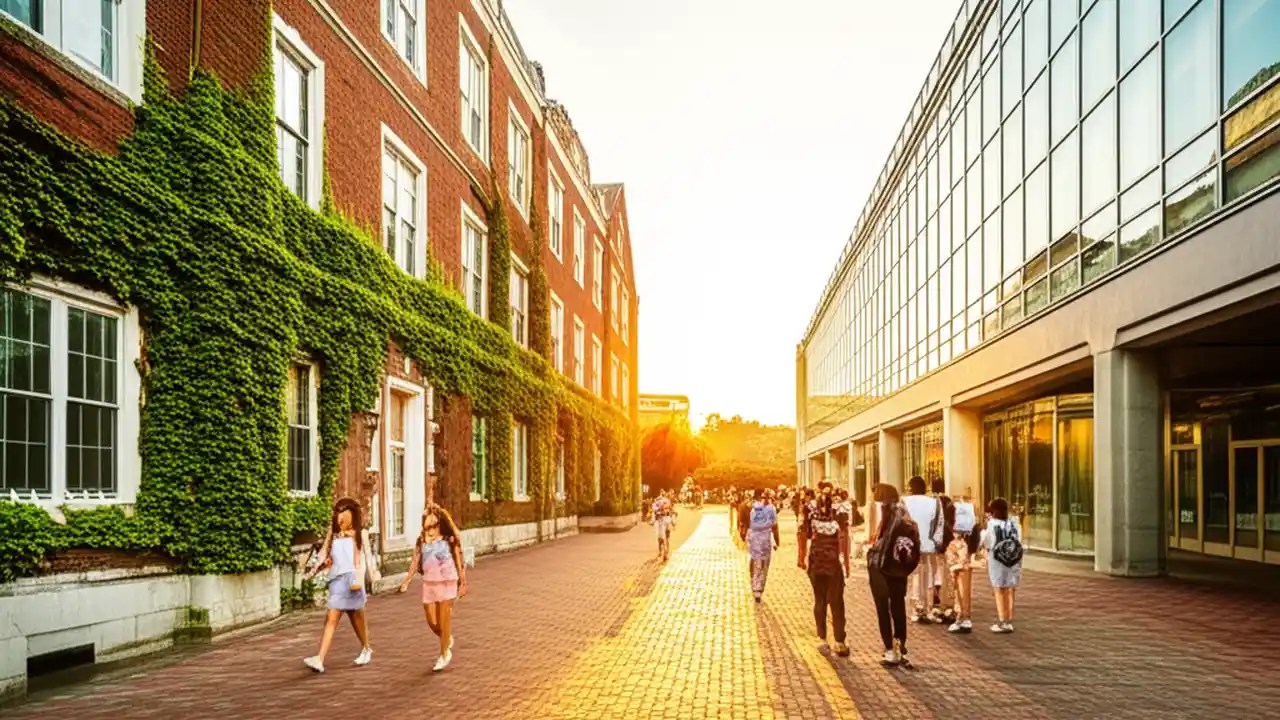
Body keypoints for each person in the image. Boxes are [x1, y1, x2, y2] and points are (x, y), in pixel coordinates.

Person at [302, 498, 372, 673]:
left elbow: (367, 558)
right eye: (337, 514)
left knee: (357, 619)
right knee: (331, 618)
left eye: (343, 514)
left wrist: (372, 574)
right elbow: (324, 553)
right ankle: (319, 659)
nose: (339, 518)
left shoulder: (359, 534)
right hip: (336, 581)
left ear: (351, 516)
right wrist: (313, 570)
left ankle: (366, 648)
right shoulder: (333, 534)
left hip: (352, 581)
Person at [398, 503, 467, 671]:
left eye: (433, 526)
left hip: (447, 581)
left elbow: (458, 559)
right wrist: (407, 579)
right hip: (429, 583)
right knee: (433, 622)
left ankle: (444, 654)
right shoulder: (421, 541)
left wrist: (462, 582)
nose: (430, 530)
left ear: (440, 524)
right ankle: (446, 638)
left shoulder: (449, 539)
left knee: (444, 619)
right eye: (427, 526)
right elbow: (415, 560)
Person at [797, 483, 851, 657]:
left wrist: (801, 557)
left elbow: (802, 533)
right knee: (836, 601)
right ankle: (840, 641)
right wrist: (847, 562)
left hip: (816, 559)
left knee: (819, 600)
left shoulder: (809, 508)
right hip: (833, 561)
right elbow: (844, 537)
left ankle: (822, 639)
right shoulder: (840, 510)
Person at [865, 483, 911, 667]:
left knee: (882, 607)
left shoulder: (875, 508)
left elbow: (871, 536)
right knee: (898, 605)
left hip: (880, 565)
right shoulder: (903, 510)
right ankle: (901, 644)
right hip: (898, 564)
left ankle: (889, 650)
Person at [902, 476, 944, 623]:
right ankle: (928, 607)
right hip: (929, 545)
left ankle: (915, 608)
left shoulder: (904, 502)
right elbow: (939, 524)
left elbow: (901, 523)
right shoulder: (935, 503)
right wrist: (937, 543)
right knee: (928, 576)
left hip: (911, 545)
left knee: (913, 576)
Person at [982, 497, 1022, 633]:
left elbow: (988, 542)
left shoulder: (992, 524)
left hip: (997, 559)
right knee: (1010, 588)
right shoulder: (1014, 522)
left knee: (999, 589)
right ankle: (1009, 620)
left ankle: (1002, 620)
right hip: (1013, 559)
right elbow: (1019, 539)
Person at [948, 488, 979, 634]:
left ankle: (962, 616)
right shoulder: (969, 528)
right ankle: (964, 616)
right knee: (964, 586)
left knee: (957, 586)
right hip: (964, 557)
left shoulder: (954, 534)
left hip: (955, 556)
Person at [747, 489, 780, 603]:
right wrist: (776, 540)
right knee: (764, 565)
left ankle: (755, 585)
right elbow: (774, 526)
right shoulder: (772, 509)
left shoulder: (754, 509)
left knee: (756, 563)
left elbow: (750, 524)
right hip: (766, 539)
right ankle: (759, 588)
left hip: (755, 539)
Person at [930, 478, 954, 622]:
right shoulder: (949, 502)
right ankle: (946, 599)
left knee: (934, 569)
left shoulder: (932, 502)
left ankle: (936, 596)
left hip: (935, 540)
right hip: (947, 539)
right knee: (946, 570)